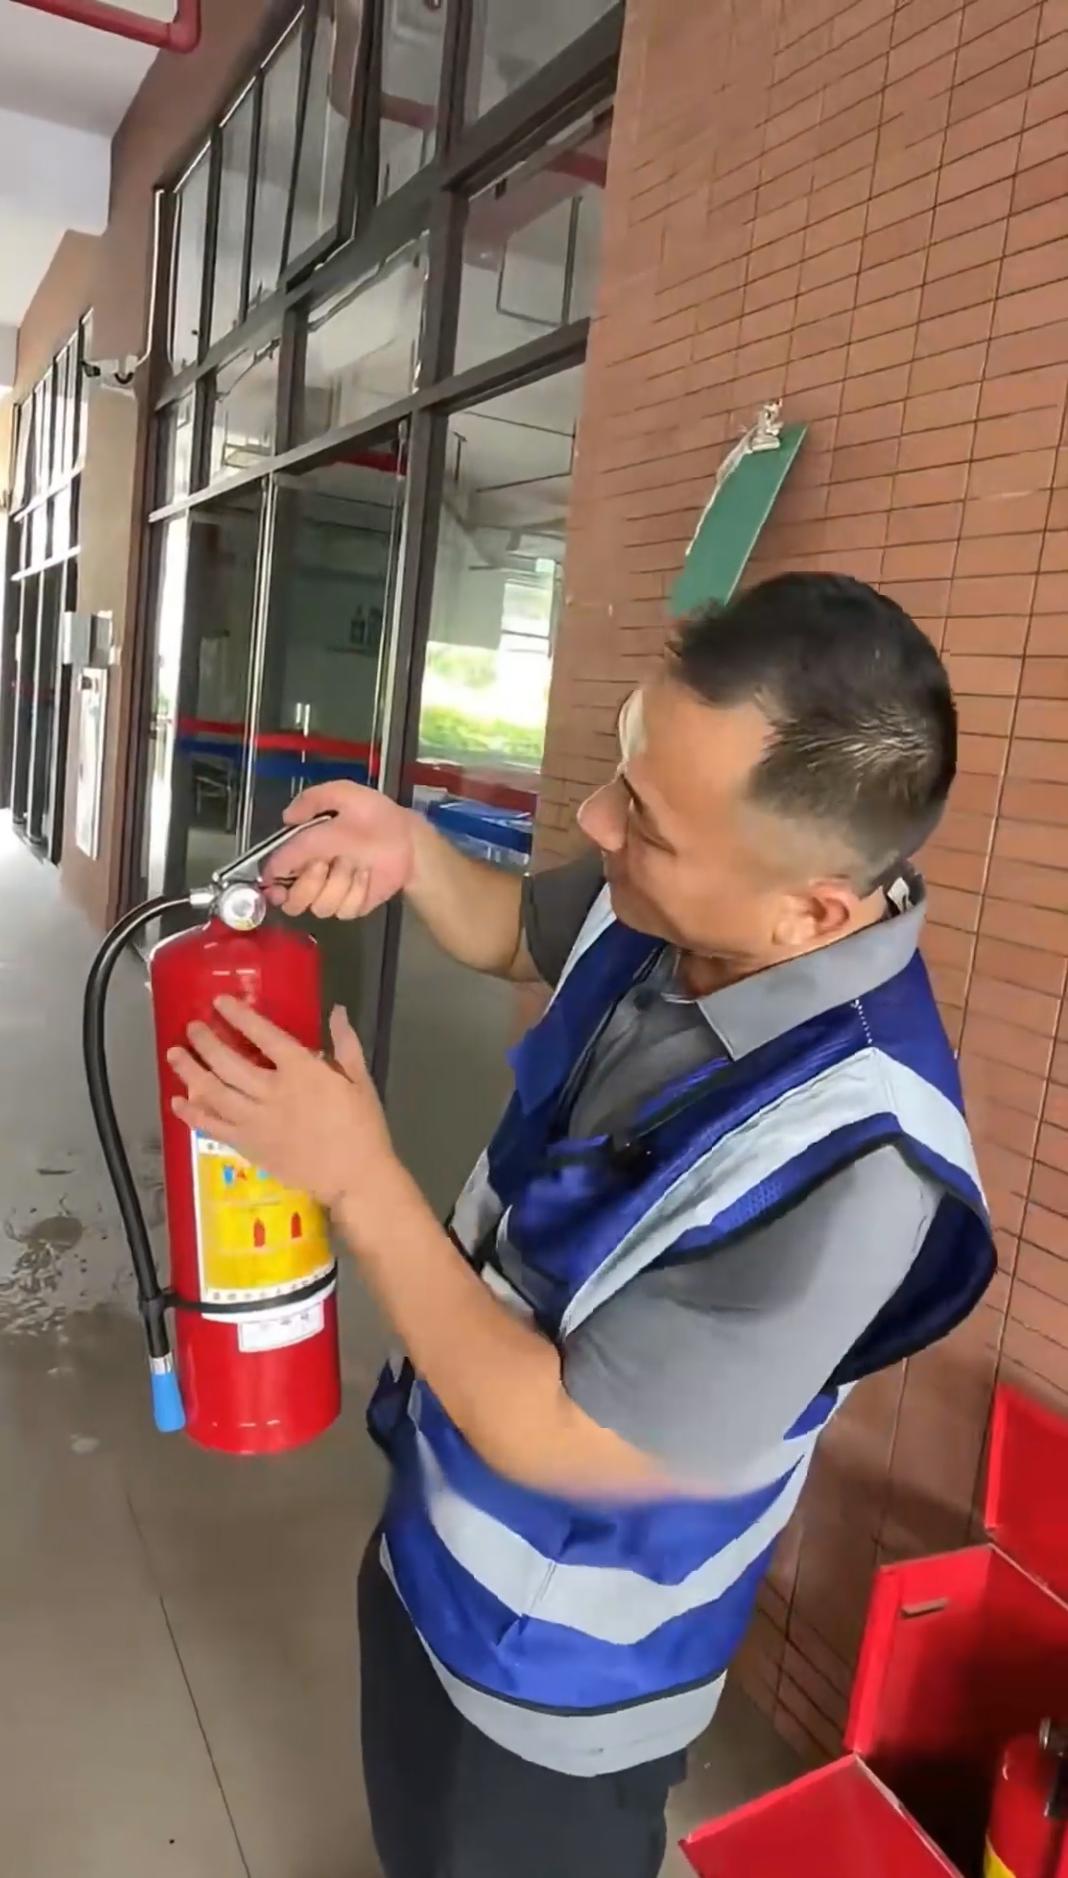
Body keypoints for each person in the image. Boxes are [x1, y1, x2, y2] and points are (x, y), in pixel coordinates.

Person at [167, 572, 995, 1878]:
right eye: (623, 771)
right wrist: (410, 849)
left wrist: (357, 1178)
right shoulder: (689, 905)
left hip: (558, 1692)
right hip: (438, 1539)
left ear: (814, 912)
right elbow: (523, 931)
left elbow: (570, 1438)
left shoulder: (856, 1162)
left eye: (645, 820)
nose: (600, 819)